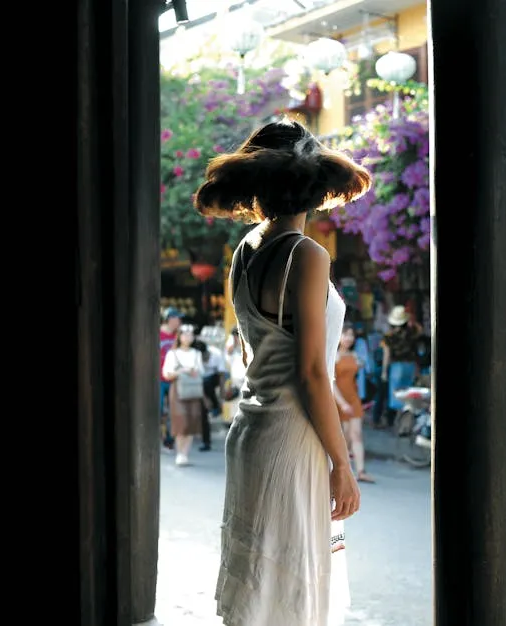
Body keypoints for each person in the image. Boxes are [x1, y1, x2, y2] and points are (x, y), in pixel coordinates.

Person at [194, 118, 371, 626]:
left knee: (263, 583)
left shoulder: (246, 250)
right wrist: (342, 464)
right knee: (294, 582)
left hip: (252, 430)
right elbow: (315, 373)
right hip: (293, 437)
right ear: (312, 185)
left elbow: (251, 351)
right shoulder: (307, 255)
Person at [334, 325, 375, 483]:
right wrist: (342, 403)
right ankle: (344, 470)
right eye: (345, 334)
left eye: (351, 335)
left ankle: (361, 471)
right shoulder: (333, 356)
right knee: (344, 437)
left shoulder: (355, 356)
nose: (348, 338)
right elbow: (332, 384)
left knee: (356, 434)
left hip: (353, 398)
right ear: (338, 335)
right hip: (339, 400)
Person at [162, 324, 205, 466]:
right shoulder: (172, 353)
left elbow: (202, 372)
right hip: (178, 390)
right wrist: (181, 371)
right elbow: (166, 373)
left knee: (192, 422)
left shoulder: (196, 353)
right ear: (179, 336)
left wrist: (194, 371)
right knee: (180, 422)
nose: (188, 337)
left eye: (190, 334)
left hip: (193, 390)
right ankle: (179, 453)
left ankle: (185, 453)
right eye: (185, 334)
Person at [380, 305, 422, 428]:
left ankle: (398, 423)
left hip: (396, 367)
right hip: (410, 366)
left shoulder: (388, 336)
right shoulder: (411, 332)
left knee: (396, 395)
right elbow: (420, 329)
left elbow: (386, 355)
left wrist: (384, 371)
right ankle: (405, 424)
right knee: (408, 395)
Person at [159, 307, 183, 450]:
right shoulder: (157, 333)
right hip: (159, 379)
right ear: (170, 319)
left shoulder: (178, 336)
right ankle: (160, 435)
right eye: (177, 318)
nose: (179, 321)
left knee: (173, 410)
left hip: (174, 379)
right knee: (159, 410)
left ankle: (169, 438)